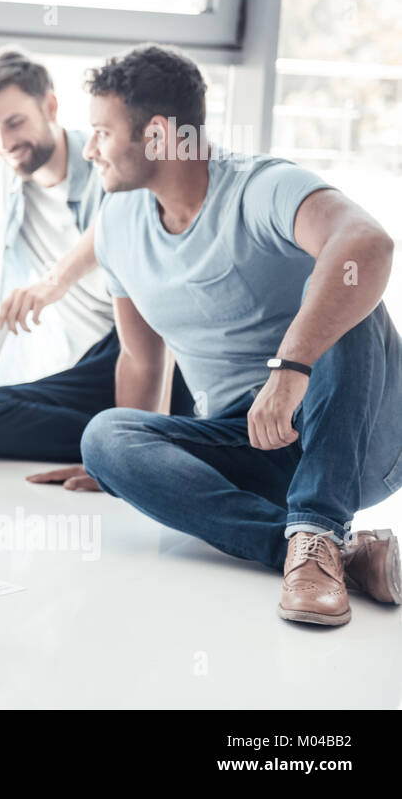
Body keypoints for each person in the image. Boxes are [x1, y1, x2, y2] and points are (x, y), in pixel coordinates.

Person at [58, 43, 400, 626]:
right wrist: (122, 471)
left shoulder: (259, 187)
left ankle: (319, 525)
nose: (89, 148)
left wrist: (291, 368)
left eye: (101, 132)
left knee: (352, 294)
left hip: (351, 427)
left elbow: (368, 244)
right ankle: (318, 553)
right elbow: (142, 361)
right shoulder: (117, 224)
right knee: (104, 435)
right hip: (251, 443)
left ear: (159, 134)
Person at [0, 49, 194, 471]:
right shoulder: (13, 193)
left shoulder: (115, 165)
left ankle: (137, 442)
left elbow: (115, 223)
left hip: (143, 347)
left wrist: (55, 279)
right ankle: (142, 441)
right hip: (90, 366)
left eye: (14, 123)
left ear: (49, 106)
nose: (6, 143)